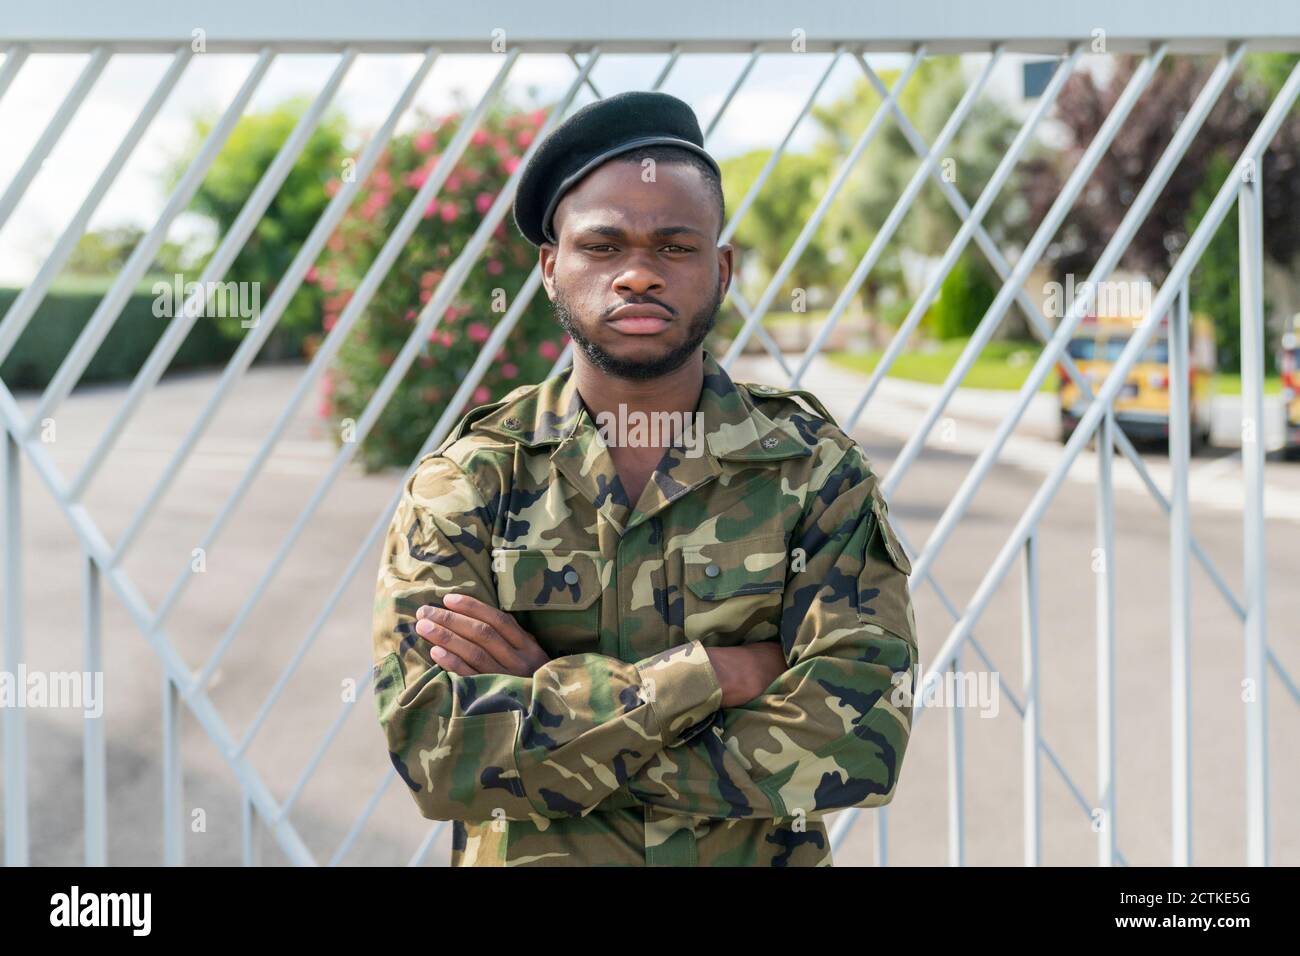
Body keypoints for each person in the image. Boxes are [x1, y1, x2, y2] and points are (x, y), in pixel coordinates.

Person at [371, 90, 919, 866]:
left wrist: (552, 696)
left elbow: (861, 739)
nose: (636, 275)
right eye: (603, 246)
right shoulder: (470, 483)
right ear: (550, 266)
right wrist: (712, 675)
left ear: (720, 269)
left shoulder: (812, 471)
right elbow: (439, 754)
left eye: (673, 246)